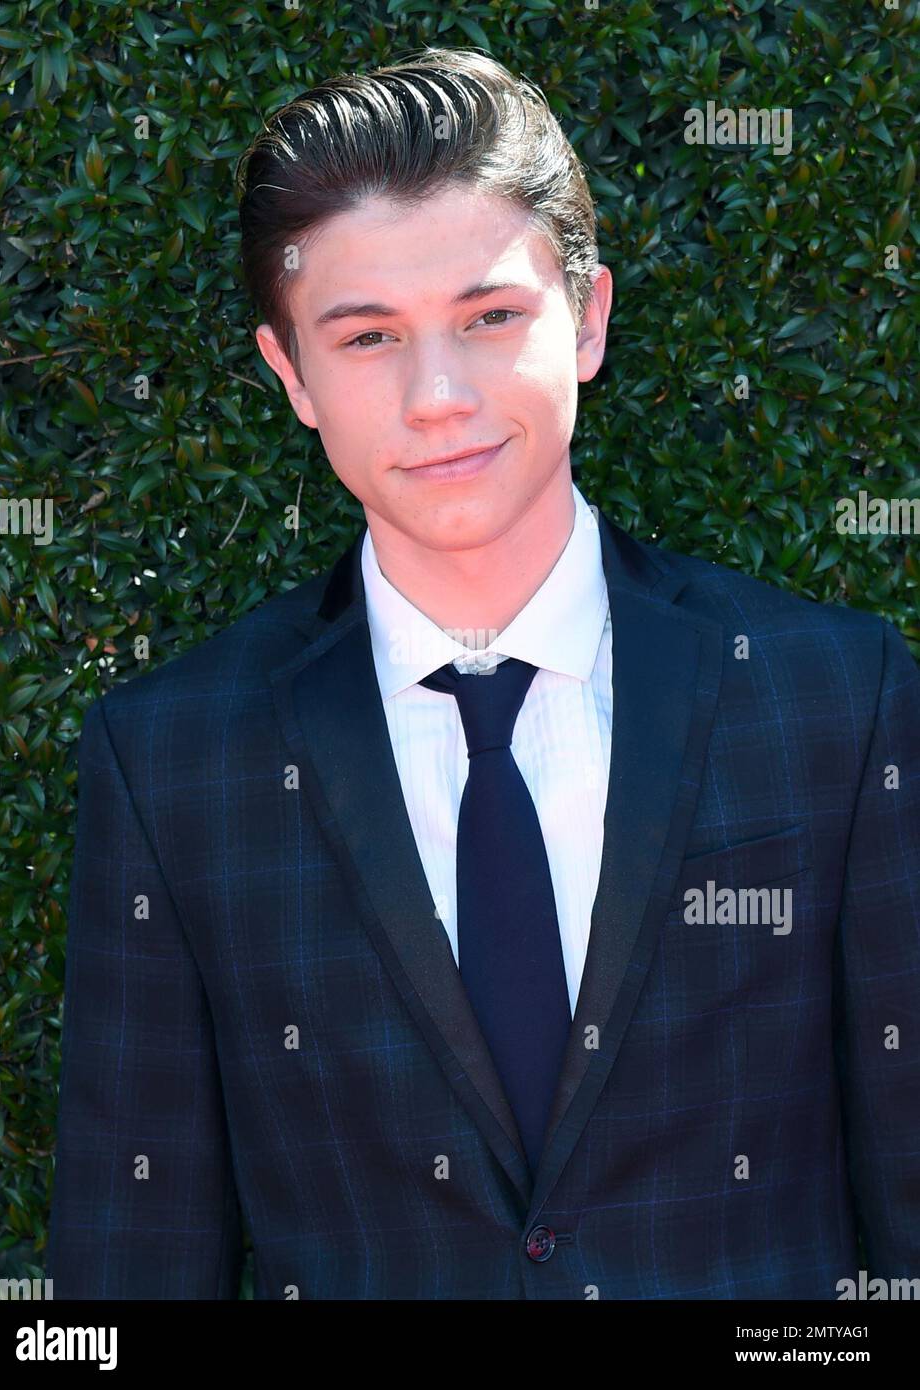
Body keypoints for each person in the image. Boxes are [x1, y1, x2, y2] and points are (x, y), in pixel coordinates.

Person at [46, 47, 920, 1300]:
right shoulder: (175, 759)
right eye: (368, 338)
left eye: (490, 316)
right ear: (290, 375)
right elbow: (127, 1274)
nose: (437, 395)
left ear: (592, 318)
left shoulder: (837, 698)